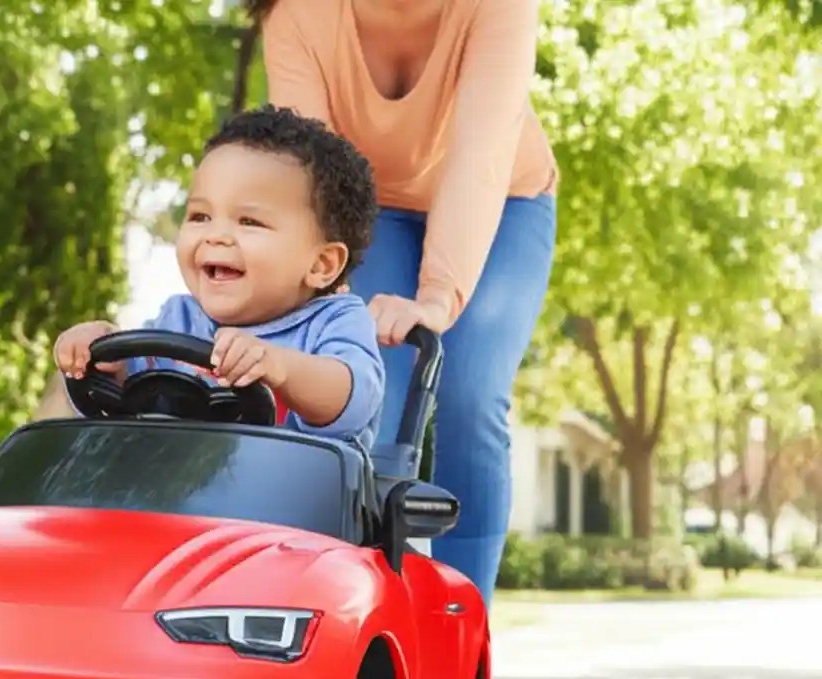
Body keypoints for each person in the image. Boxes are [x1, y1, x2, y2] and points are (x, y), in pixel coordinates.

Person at [255, 0, 559, 607]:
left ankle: (466, 642)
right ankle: (353, 620)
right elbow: (308, 178)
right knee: (359, 402)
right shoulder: (296, 15)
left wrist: (439, 298)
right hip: (370, 213)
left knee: (471, 397)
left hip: (505, 198)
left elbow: (483, 151)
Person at [54, 105, 386, 448]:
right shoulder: (177, 319)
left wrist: (281, 368)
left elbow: (356, 400)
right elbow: (125, 393)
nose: (216, 236)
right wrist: (102, 358)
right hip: (172, 490)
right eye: (200, 216)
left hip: (293, 494)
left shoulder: (336, 320)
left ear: (321, 265)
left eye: (249, 222)